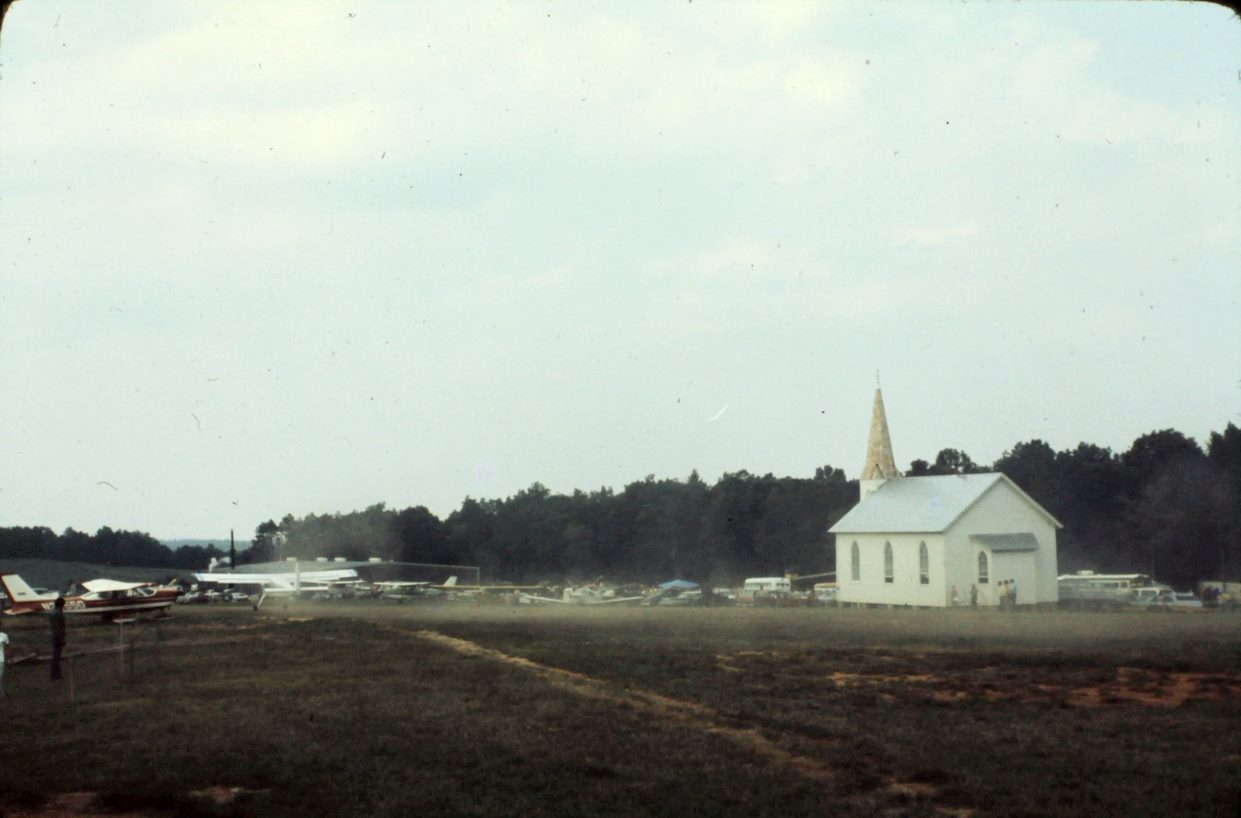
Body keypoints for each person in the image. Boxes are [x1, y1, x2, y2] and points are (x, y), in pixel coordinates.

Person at [50, 597, 66, 681]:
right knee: (56, 657)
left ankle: (57, 675)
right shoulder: (58, 614)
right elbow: (58, 629)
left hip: (55, 637)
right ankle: (55, 675)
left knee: (56, 657)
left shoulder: (53, 613)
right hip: (57, 638)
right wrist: (62, 639)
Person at [0, 623, 10, 698]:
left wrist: (9, 658)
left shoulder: (4, 636)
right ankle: (3, 693)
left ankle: (3, 693)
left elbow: (8, 648)